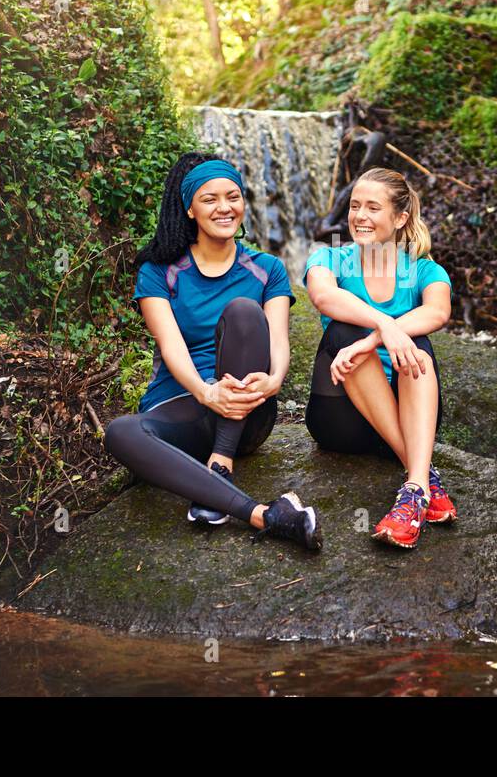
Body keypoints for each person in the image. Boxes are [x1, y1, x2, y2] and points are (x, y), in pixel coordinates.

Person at [103, 152, 321, 550]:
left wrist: (272, 383)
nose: (225, 208)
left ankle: (221, 462)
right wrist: (206, 393)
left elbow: (278, 343)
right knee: (121, 432)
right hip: (185, 406)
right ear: (189, 209)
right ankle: (265, 515)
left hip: (247, 415)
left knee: (242, 312)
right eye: (210, 199)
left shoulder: (267, 268)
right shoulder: (159, 272)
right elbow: (171, 347)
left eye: (233, 196)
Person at [303, 166, 455, 549]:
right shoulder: (330, 259)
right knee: (342, 331)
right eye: (355, 206)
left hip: (410, 416)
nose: (359, 216)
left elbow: (437, 312)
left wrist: (374, 340)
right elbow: (324, 297)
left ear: (400, 217)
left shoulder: (423, 269)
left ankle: (414, 490)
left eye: (373, 207)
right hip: (342, 420)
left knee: (417, 341)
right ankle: (422, 473)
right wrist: (384, 327)